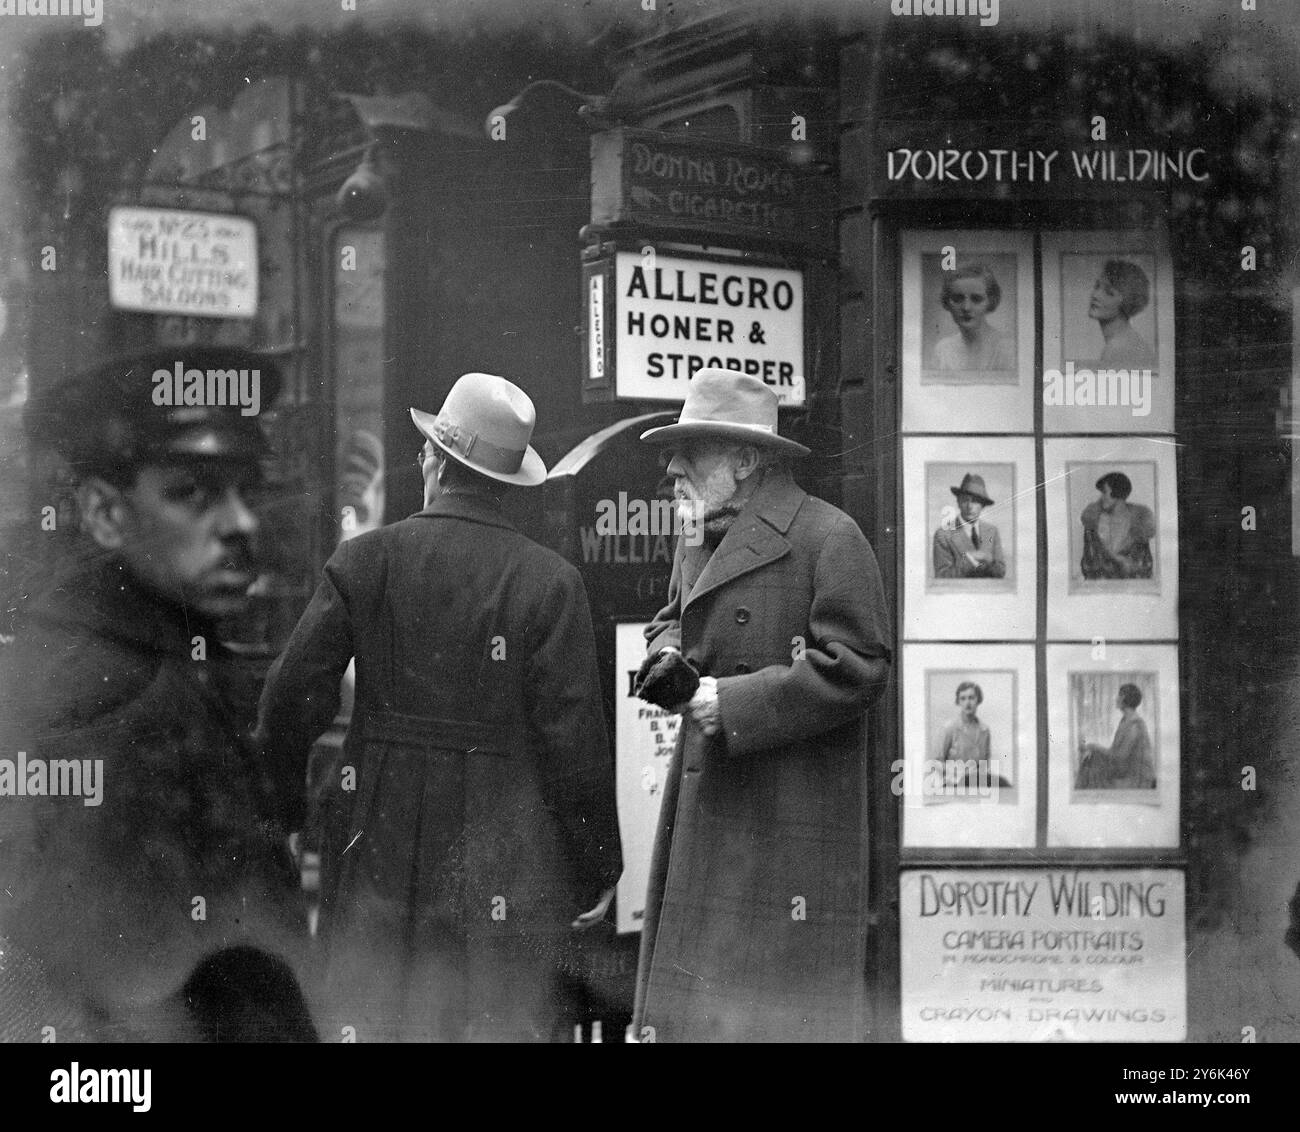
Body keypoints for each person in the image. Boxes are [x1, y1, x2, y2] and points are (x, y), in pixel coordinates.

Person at [256, 371, 622, 1042]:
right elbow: (574, 741)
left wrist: (281, 814)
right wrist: (597, 863)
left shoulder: (363, 561)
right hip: (502, 849)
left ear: (433, 461)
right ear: (508, 483)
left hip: (376, 831)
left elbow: (290, 698)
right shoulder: (551, 583)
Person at [0, 347, 315, 1042]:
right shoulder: (116, 700)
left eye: (246, 489)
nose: (241, 523)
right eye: (192, 492)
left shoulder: (135, 656)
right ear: (104, 513)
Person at [631, 368, 892, 1042]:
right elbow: (669, 619)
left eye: (691, 451)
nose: (672, 468)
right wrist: (667, 660)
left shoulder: (831, 536)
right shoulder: (697, 533)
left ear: (746, 460)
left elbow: (860, 666)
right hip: (711, 799)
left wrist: (734, 702)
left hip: (789, 819)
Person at [929, 264, 1016, 374]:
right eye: (957, 299)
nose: (966, 307)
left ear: (990, 301)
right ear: (947, 302)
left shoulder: (1007, 348)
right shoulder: (943, 349)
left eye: (976, 299)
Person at [1076, 683, 1156, 790]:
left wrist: (1095, 747)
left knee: (1093, 761)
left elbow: (1120, 757)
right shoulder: (1124, 721)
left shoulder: (1135, 725)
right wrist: (1092, 747)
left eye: (1119, 695)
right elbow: (1114, 753)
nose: (1116, 698)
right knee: (1093, 758)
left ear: (1125, 698)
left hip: (1135, 778)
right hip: (1123, 770)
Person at [1080, 470, 1155, 580]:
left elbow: (1146, 566)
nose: (1101, 497)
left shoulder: (1140, 524)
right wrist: (1117, 559)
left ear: (1117, 492)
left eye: (1104, 492)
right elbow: (1088, 566)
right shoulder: (1092, 524)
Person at [933, 472, 1006, 579]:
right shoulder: (943, 534)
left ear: (983, 505)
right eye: (965, 500)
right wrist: (970, 558)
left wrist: (988, 559)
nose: (969, 506)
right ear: (958, 502)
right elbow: (942, 576)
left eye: (975, 501)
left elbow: (1001, 571)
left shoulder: (992, 531)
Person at [1087, 259, 1156, 369]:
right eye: (1097, 286)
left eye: (1109, 293)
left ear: (1127, 301)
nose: (1095, 295)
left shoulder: (1117, 349)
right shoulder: (1128, 340)